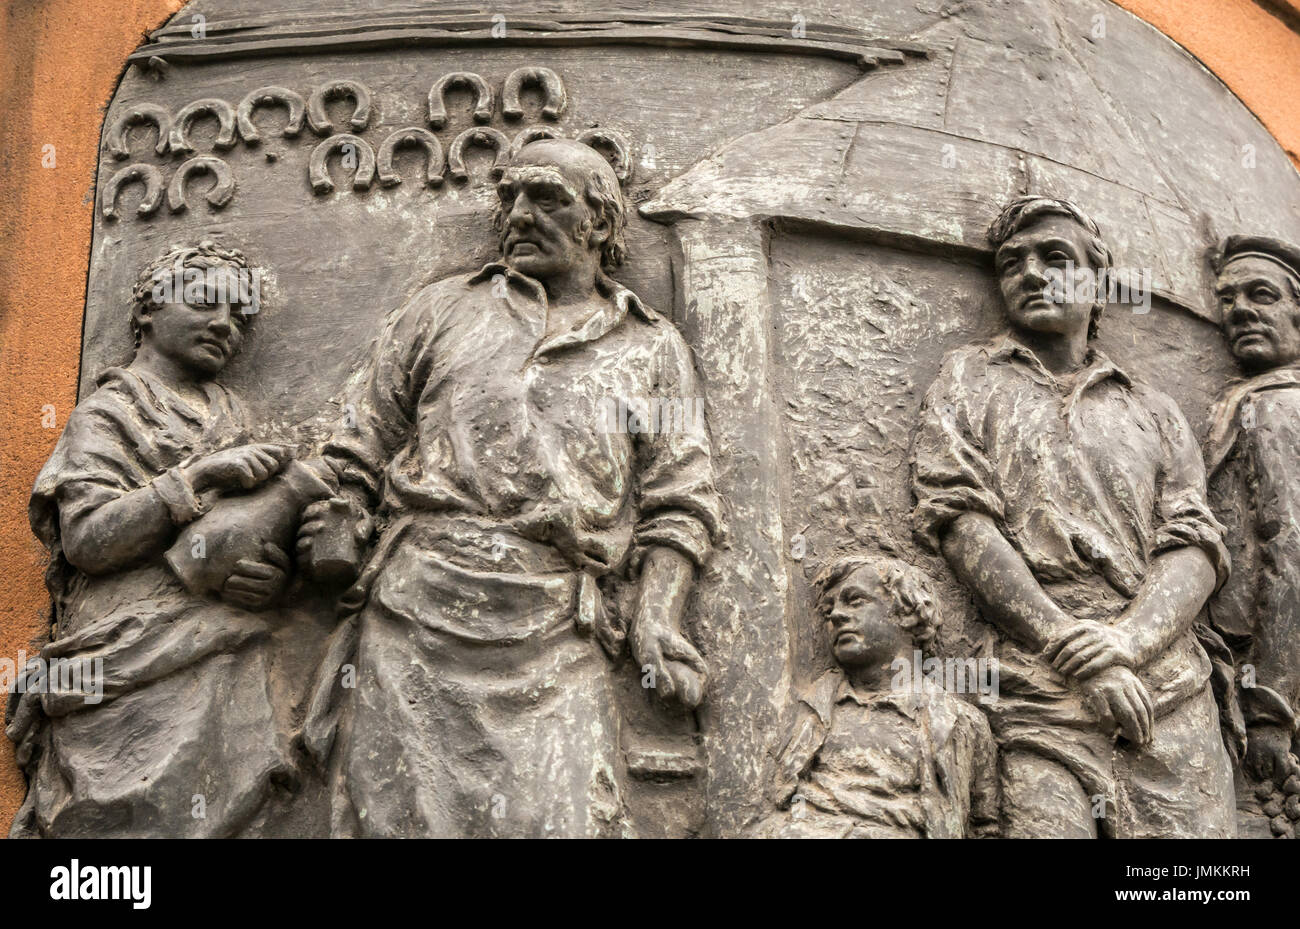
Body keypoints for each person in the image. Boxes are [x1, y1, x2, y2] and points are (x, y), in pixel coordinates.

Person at [297, 139, 722, 837]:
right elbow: (361, 443)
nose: (519, 214)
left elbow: (680, 499)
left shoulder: (651, 347)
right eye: (510, 198)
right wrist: (336, 517)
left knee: (568, 820)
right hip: (414, 616)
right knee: (395, 821)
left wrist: (656, 615)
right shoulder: (440, 311)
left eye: (547, 197)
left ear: (602, 221)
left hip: (557, 629)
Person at [910, 196, 1237, 837]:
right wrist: (1072, 646)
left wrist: (1128, 642)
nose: (1029, 274)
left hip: (1166, 685)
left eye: (1053, 258)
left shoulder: (1154, 408)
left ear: (1098, 279)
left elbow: (1195, 545)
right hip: (1037, 685)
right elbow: (960, 521)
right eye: (1011, 264)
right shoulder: (968, 380)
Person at [8, 242, 297, 837]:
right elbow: (87, 540)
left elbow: (244, 537)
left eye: (239, 318)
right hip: (126, 651)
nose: (225, 324)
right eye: (206, 302)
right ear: (147, 310)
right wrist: (196, 477)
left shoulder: (232, 415)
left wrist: (269, 579)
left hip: (221, 652)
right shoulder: (109, 413)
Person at [755, 554, 998, 838]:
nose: (835, 616)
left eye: (855, 600)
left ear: (908, 613)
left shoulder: (962, 724)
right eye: (828, 610)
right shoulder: (802, 713)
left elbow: (985, 828)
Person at [1204, 235, 1300, 836]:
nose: (1240, 310)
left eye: (1261, 296)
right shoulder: (1248, 398)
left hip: (1252, 680)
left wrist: (1271, 708)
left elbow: (1290, 550)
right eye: (1228, 299)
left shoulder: (1279, 406)